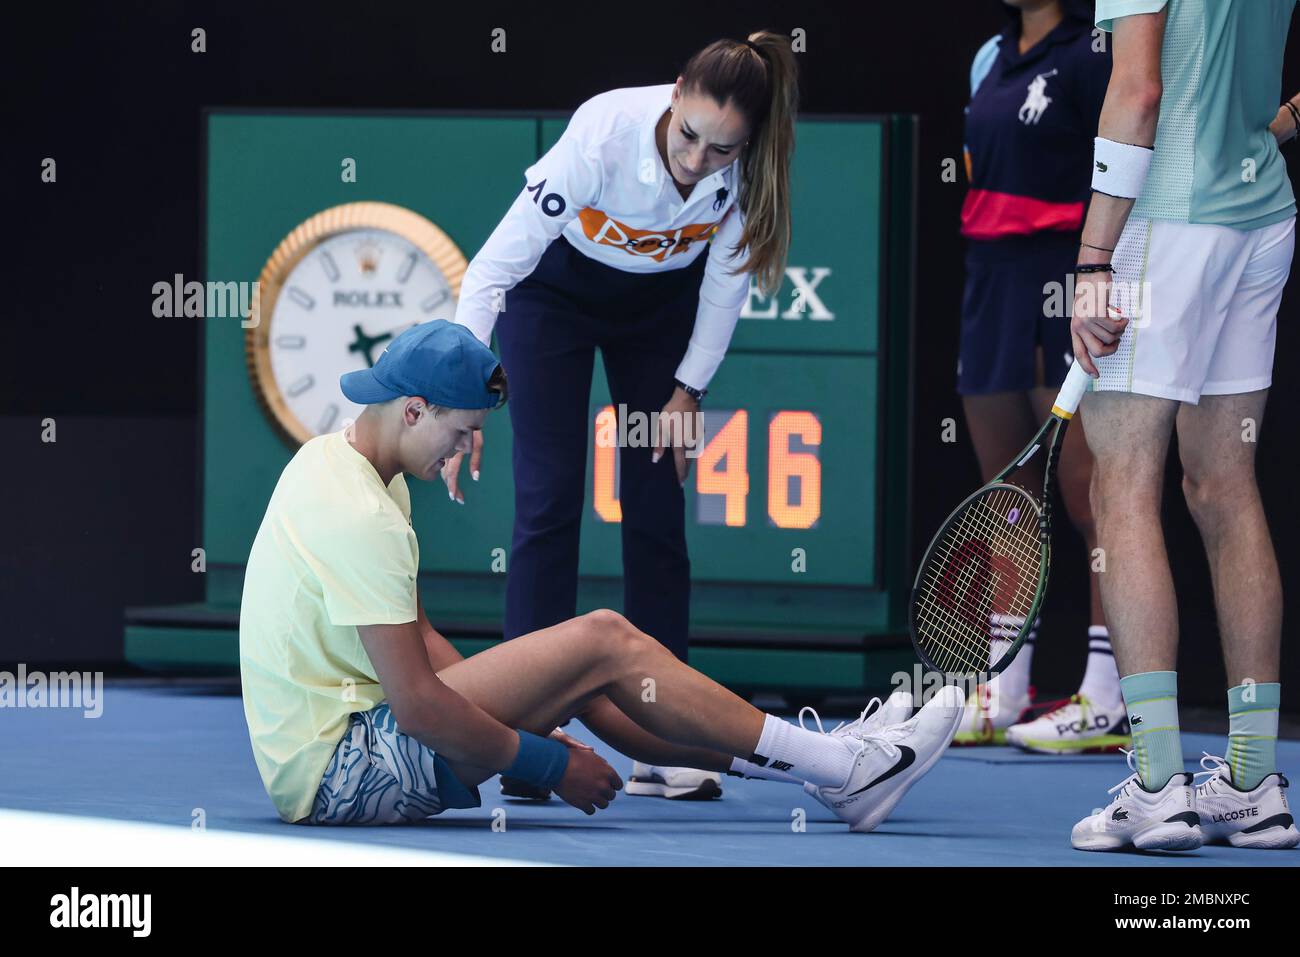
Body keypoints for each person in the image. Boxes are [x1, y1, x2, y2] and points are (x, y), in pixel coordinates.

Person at [237, 320, 965, 831]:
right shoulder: (363, 515)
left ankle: (829, 767)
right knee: (603, 639)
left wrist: (531, 709)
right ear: (414, 410)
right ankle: (841, 764)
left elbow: (422, 639)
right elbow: (421, 707)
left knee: (584, 670)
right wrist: (544, 761)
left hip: (350, 748)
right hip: (340, 775)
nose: (462, 450)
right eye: (460, 433)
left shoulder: (344, 465)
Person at [441, 32, 799, 800]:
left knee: (657, 506)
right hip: (553, 298)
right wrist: (465, 388)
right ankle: (530, 738)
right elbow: (493, 269)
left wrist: (688, 390)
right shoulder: (603, 131)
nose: (698, 160)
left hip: (658, 313)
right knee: (549, 497)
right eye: (690, 135)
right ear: (676, 93)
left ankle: (666, 743)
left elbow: (725, 287)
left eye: (721, 149)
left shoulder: (752, 169)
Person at [1067, 0, 1299, 851]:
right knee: (1225, 486)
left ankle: (1160, 784)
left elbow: (1138, 91)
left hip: (1165, 217)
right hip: (1261, 216)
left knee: (1122, 485)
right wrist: (1264, 129)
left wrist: (1095, 258)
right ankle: (1251, 783)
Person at [953, 0, 1127, 754]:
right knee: (1006, 498)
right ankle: (1004, 687)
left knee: (1092, 495)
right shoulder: (987, 58)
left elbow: (1124, 167)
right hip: (991, 283)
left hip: (1071, 276)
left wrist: (1099, 273)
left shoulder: (1096, 51)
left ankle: (1107, 693)